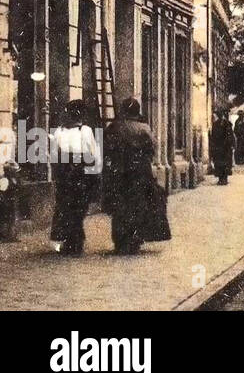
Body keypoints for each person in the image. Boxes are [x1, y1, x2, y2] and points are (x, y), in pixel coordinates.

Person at [102, 98, 171, 255]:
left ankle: (120, 242)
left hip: (118, 173)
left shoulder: (113, 127)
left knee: (120, 208)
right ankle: (134, 241)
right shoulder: (144, 128)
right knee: (137, 206)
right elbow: (153, 149)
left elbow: (106, 149)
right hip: (140, 173)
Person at [50, 99, 100, 257]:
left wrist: (58, 173)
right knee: (79, 208)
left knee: (66, 207)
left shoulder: (59, 132)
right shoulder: (85, 131)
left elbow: (53, 156)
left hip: (65, 174)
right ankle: (75, 242)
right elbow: (94, 153)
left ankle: (71, 241)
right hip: (80, 174)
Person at [210, 111, 235, 184]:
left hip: (226, 147)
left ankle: (225, 179)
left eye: (221, 114)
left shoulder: (227, 123)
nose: (220, 116)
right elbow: (213, 136)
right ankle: (220, 179)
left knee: (226, 163)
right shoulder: (215, 124)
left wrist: (231, 144)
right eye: (219, 115)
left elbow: (230, 135)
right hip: (218, 147)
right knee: (219, 163)